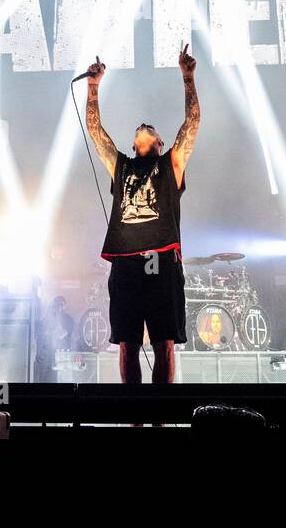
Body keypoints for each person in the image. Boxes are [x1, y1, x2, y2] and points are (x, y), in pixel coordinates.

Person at [84, 44, 200, 385]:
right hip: (126, 262)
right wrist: (93, 88)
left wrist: (188, 78)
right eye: (139, 129)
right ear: (135, 144)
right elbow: (95, 133)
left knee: (164, 343)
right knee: (127, 344)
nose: (144, 126)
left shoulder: (170, 165)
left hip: (162, 258)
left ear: (160, 143)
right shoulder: (120, 166)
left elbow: (192, 123)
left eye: (151, 129)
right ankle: (134, 420)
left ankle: (160, 419)